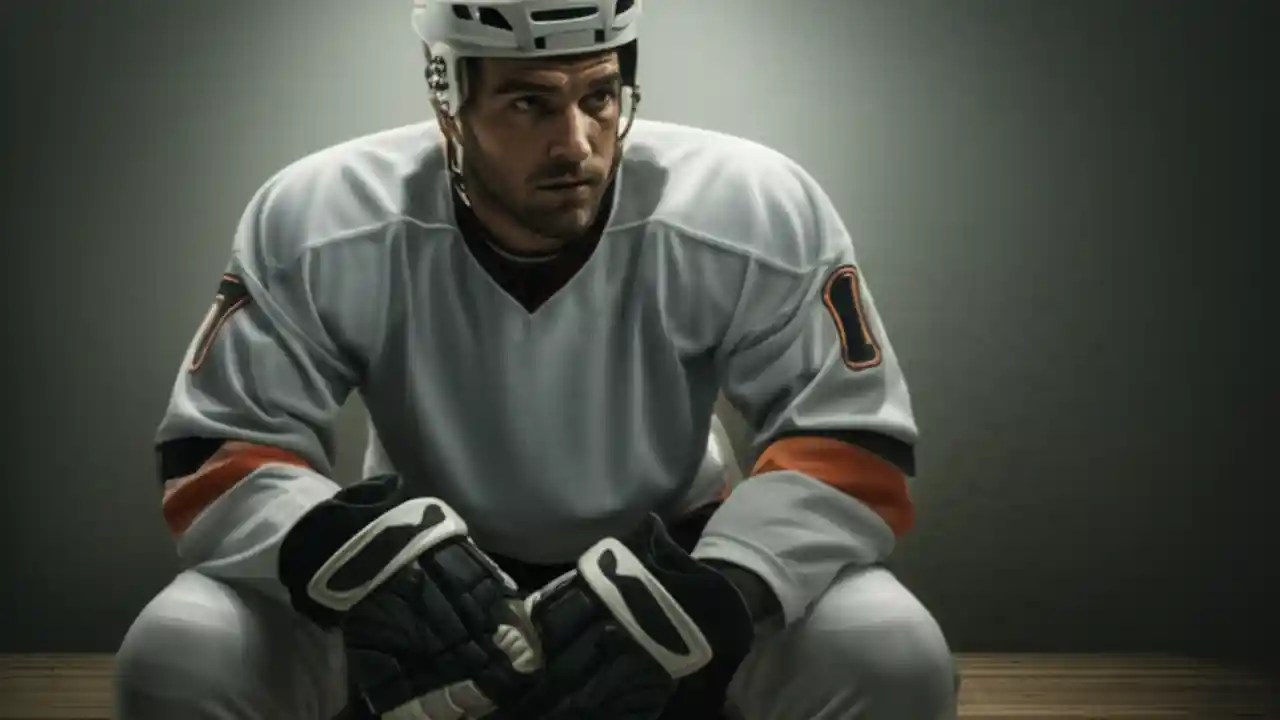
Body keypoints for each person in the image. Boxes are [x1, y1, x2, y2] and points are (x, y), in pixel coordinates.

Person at [113, 1, 958, 718]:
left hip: (677, 566)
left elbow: (852, 443)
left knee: (893, 652)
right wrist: (355, 562)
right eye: (528, 103)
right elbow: (215, 449)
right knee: (178, 652)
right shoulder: (320, 214)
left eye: (599, 96)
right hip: (417, 587)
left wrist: (723, 589)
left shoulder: (751, 203)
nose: (577, 144)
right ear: (447, 96)